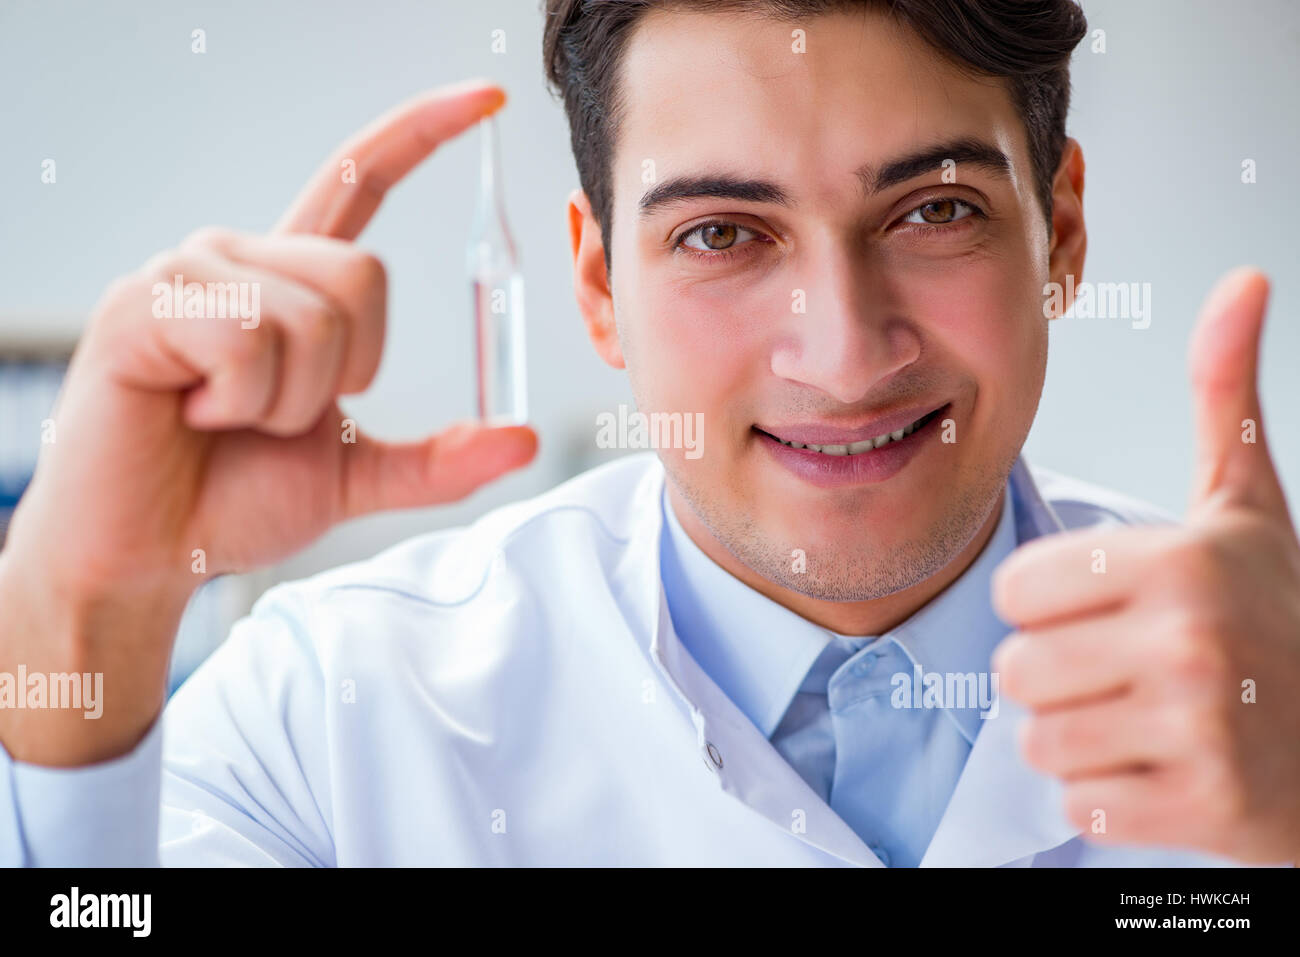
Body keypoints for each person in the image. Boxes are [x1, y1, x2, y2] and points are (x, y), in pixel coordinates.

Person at [1, 0, 1297, 867]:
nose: (841, 353)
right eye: (723, 235)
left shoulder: (1269, 697)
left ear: (1060, 231)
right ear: (598, 283)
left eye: (932, 210)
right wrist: (82, 623)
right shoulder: (330, 717)